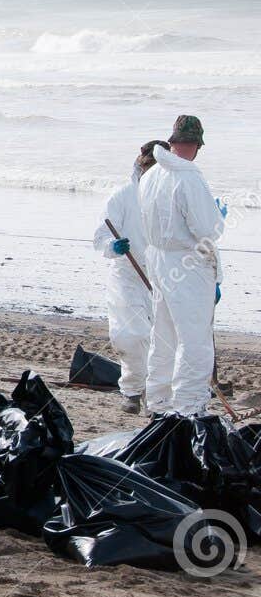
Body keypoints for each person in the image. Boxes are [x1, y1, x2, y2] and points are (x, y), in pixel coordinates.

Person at [138, 116, 226, 418]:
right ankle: (190, 407)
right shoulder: (189, 177)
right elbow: (207, 229)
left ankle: (158, 402)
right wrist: (219, 217)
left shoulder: (151, 175)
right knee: (194, 339)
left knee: (163, 334)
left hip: (158, 259)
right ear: (196, 145)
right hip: (187, 264)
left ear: (173, 141)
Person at [93, 141, 163, 414]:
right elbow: (101, 236)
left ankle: (154, 395)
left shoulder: (169, 194)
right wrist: (114, 246)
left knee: (162, 338)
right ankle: (132, 390)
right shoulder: (121, 196)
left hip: (161, 274)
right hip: (127, 273)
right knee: (131, 335)